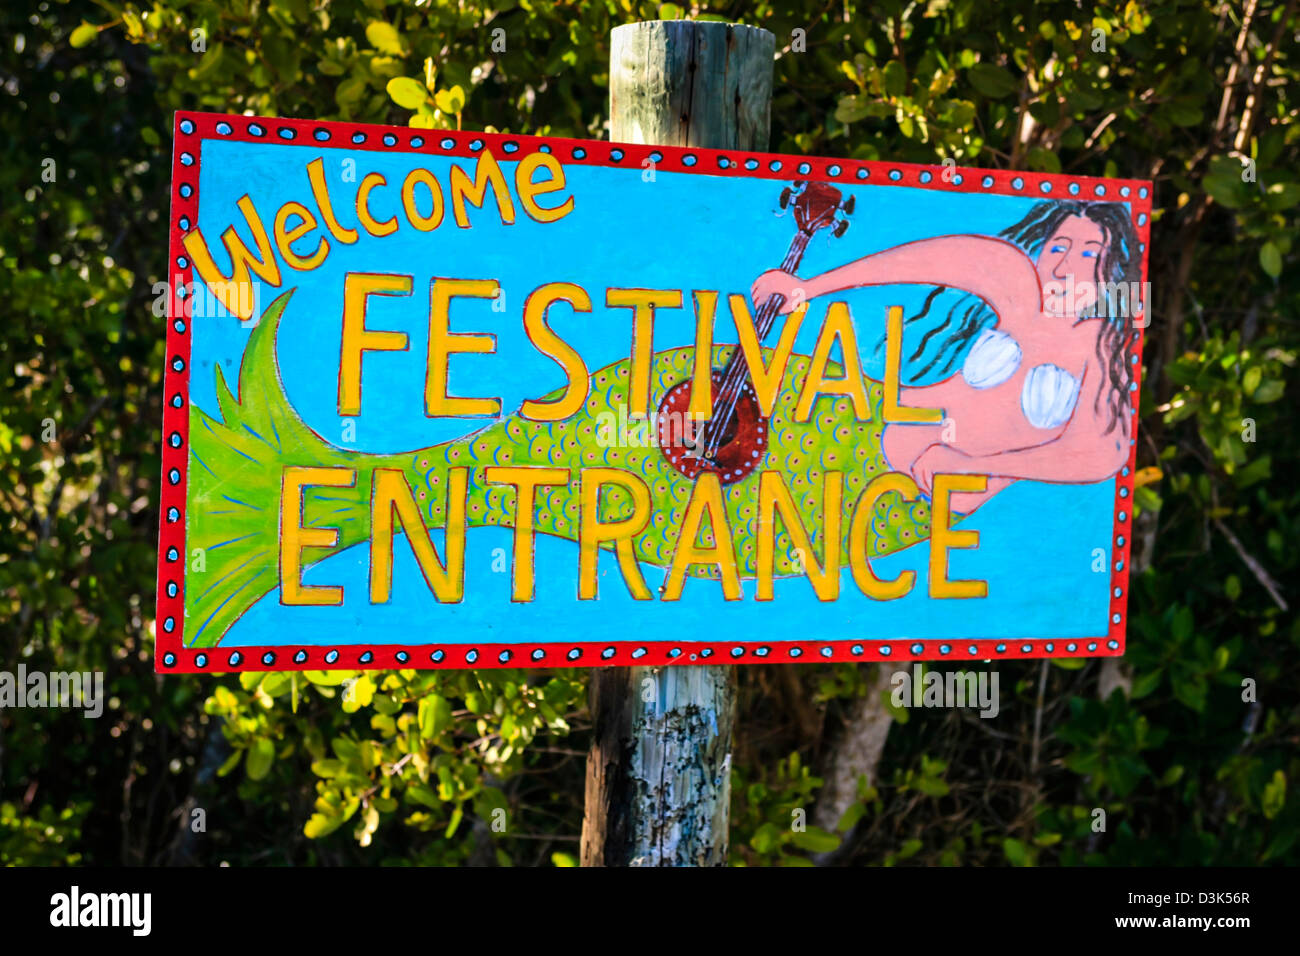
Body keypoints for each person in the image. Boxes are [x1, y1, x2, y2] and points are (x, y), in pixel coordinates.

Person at [750, 200, 1142, 513]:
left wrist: (977, 467)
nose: (1065, 265)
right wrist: (810, 287)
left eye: (1091, 254)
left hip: (920, 508)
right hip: (860, 431)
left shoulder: (1101, 346)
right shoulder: (1019, 288)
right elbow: (930, 259)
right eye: (1059, 246)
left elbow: (1100, 454)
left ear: (1113, 270)